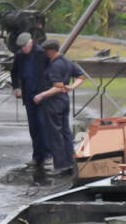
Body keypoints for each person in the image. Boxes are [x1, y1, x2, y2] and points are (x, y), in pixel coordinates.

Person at [32, 40, 86, 176]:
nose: (45, 54)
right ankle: (70, 161)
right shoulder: (67, 62)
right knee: (65, 131)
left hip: (53, 102)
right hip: (64, 101)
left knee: (55, 134)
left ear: (51, 51)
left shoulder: (55, 65)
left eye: (46, 51)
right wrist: (72, 87)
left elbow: (57, 87)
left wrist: (41, 95)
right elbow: (81, 76)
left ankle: (61, 165)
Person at [10, 33, 52, 168]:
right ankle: (37, 156)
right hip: (28, 96)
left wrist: (48, 91)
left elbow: (52, 71)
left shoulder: (42, 54)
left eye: (25, 46)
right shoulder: (19, 56)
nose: (23, 49)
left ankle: (48, 155)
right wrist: (16, 87)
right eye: (21, 47)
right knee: (33, 127)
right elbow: (14, 72)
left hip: (41, 95)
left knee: (42, 124)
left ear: (31, 43)